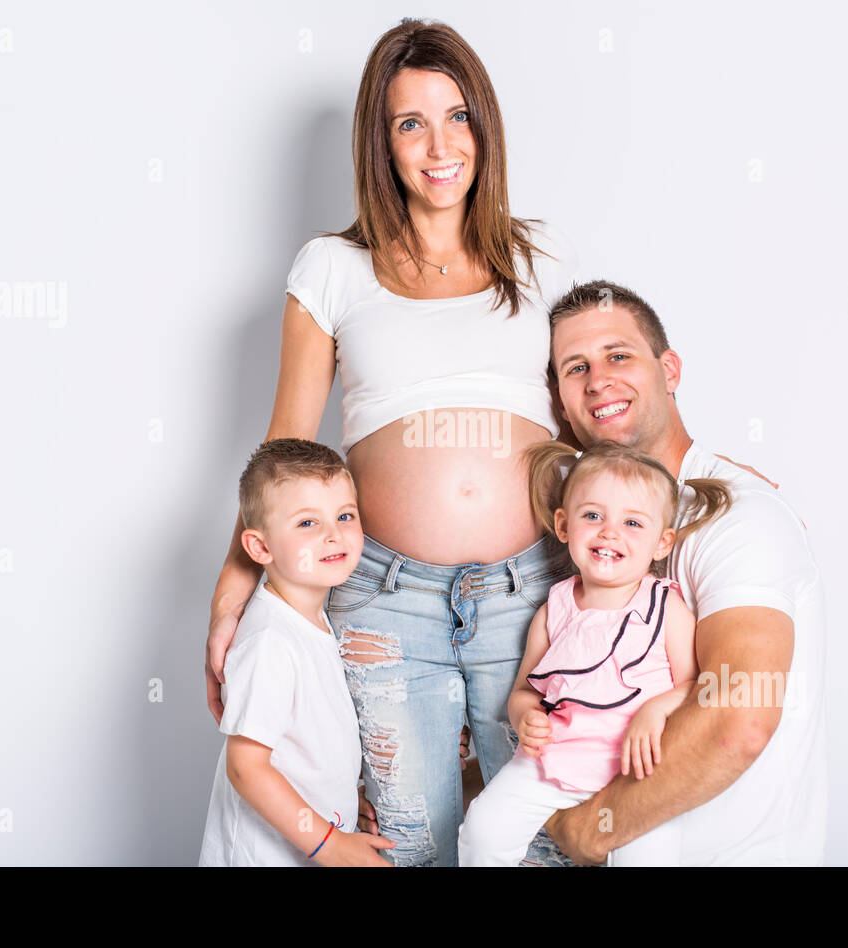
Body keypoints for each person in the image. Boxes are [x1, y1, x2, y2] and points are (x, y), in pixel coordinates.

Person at [204, 18, 581, 866]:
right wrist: (231, 599)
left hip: (532, 602)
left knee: (540, 843)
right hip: (385, 603)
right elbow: (284, 450)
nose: (439, 145)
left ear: (484, 126)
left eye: (457, 117)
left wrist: (697, 473)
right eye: (410, 123)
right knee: (404, 845)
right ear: (382, 144)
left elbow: (592, 426)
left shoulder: (542, 258)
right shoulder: (331, 267)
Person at [540, 279, 828, 865]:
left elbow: (739, 716)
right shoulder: (588, 533)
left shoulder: (739, 519)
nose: (599, 380)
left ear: (669, 370)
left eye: (618, 355)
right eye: (576, 368)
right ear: (560, 403)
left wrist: (590, 829)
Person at [457, 440, 732, 866]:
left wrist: (656, 709)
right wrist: (525, 716)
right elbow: (525, 690)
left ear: (662, 543)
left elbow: (697, 686)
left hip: (640, 772)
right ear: (564, 526)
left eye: (632, 523)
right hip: (557, 757)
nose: (610, 532)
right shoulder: (554, 609)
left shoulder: (665, 607)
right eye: (593, 516)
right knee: (484, 827)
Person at [199, 438, 395, 866]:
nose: (334, 533)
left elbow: (306, 749)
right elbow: (246, 768)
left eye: (345, 515)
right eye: (308, 523)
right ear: (260, 548)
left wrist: (338, 802)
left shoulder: (313, 623)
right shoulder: (270, 641)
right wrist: (331, 843)